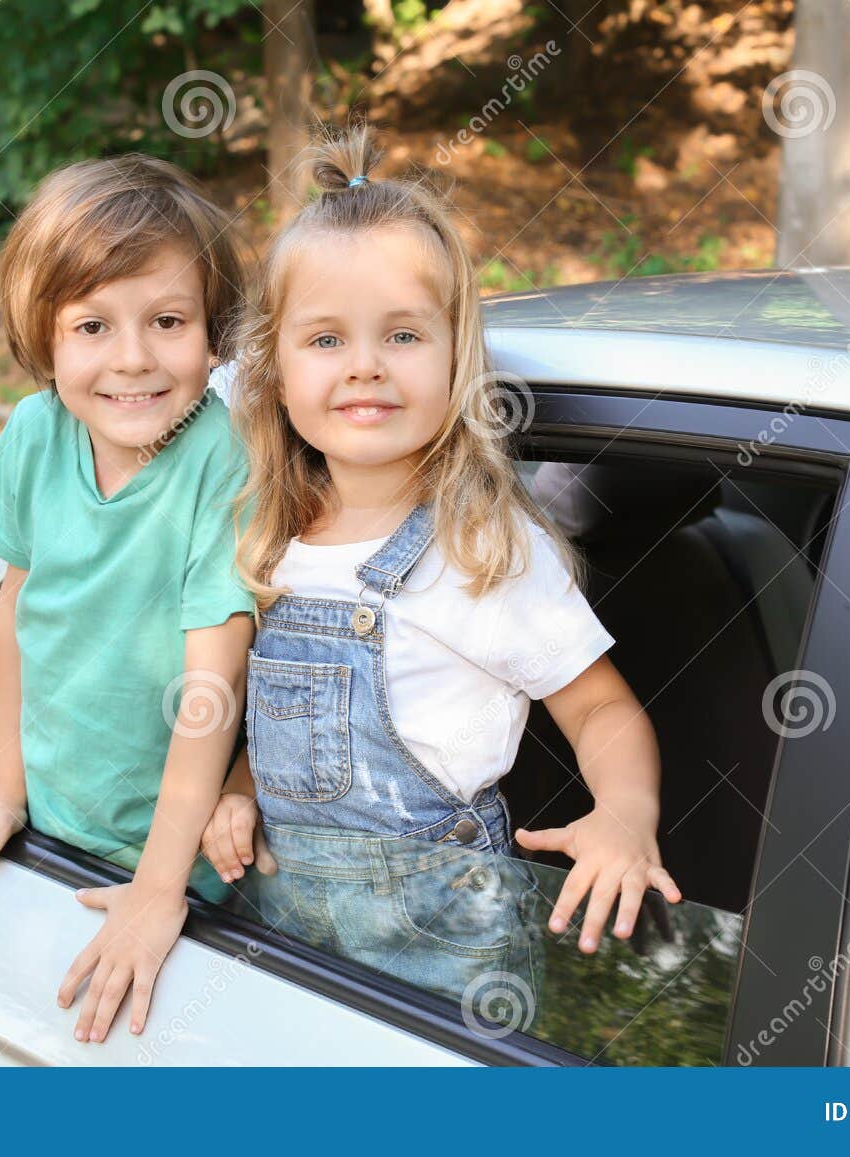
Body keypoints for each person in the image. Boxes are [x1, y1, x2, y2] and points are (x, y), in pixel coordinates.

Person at [201, 124, 682, 1015]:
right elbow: (278, 732)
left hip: (447, 971)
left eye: (404, 335)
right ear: (273, 371)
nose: (366, 367)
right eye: (326, 340)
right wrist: (237, 790)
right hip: (289, 946)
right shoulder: (268, 538)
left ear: (457, 354)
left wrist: (623, 814)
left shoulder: (484, 550)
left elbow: (604, 707)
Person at [0, 154, 255, 1045]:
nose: (133, 358)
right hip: (54, 844)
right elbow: (19, 612)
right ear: (47, 339)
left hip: (190, 876)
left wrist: (159, 886)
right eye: (93, 325)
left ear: (215, 336)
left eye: (169, 321)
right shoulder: (35, 432)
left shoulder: (222, 459)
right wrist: (3, 791)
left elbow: (212, 683)